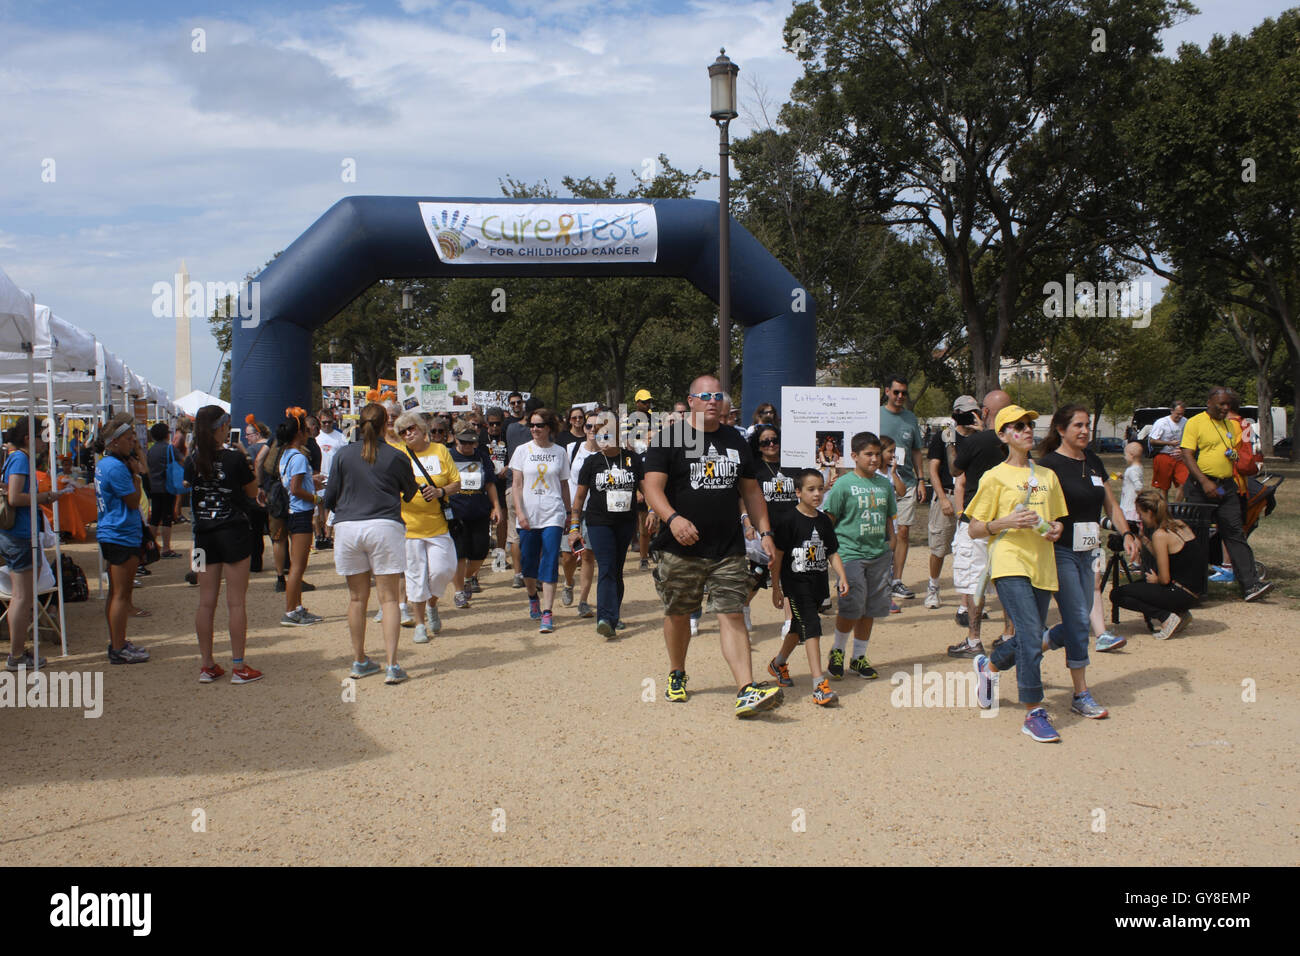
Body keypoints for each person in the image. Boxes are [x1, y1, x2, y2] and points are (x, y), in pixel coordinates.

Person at [642, 376, 783, 717]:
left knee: (732, 613)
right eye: (704, 396)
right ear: (690, 401)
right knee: (678, 612)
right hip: (680, 547)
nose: (712, 401)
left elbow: (751, 491)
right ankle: (677, 671)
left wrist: (764, 530)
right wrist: (673, 518)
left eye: (717, 396)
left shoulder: (736, 440)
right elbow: (652, 488)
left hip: (728, 547)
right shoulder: (670, 439)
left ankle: (745, 689)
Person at [967, 405, 1069, 743]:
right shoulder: (994, 477)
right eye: (1017, 426)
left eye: (1029, 425)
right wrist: (1004, 522)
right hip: (1009, 561)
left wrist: (1055, 529)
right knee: (1028, 632)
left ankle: (990, 667)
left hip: (1042, 563)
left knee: (1030, 635)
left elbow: (1057, 521)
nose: (1027, 430)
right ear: (1003, 435)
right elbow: (975, 529)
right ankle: (1033, 710)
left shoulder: (1047, 477)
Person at [1036, 405, 1137, 710]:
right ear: (1061, 429)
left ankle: (1020, 649)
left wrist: (1128, 533)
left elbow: (1111, 504)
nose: (1084, 431)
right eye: (1078, 425)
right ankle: (1081, 694)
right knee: (1079, 619)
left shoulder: (1093, 461)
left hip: (1091, 549)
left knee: (1079, 619)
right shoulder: (1049, 466)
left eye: (1087, 425)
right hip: (1061, 551)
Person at [322, 402, 418, 683]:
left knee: (356, 599)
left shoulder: (342, 454)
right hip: (384, 525)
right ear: (383, 424)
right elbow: (410, 493)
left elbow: (329, 498)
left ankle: (359, 660)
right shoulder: (395, 455)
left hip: (348, 526)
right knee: (389, 599)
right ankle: (391, 665)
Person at [185, 405, 263, 684]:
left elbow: (186, 491)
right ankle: (239, 666)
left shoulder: (192, 459)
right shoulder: (234, 459)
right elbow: (252, 492)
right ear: (221, 428)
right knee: (236, 602)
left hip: (202, 535)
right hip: (233, 532)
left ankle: (206, 664)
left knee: (205, 603)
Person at [1179, 387, 1271, 601]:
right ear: (1209, 402)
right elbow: (1187, 454)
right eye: (1221, 404)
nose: (1225, 408)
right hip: (1200, 485)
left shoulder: (1230, 425)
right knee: (1197, 536)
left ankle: (1251, 585)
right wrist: (1204, 481)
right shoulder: (1195, 423)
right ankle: (1194, 587)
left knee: (1235, 532)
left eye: (1228, 404)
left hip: (1224, 486)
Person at [768, 468, 848, 706]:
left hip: (818, 582)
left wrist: (842, 577)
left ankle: (778, 663)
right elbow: (778, 557)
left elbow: (832, 551)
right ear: (798, 492)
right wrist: (776, 588)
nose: (816, 494)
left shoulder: (823, 520)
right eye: (811, 489)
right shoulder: (787, 520)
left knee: (798, 627)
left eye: (820, 489)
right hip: (795, 583)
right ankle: (819, 685)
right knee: (812, 626)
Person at [821, 431, 896, 681]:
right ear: (854, 456)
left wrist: (891, 541)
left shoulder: (884, 483)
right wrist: (831, 552)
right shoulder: (844, 484)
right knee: (852, 605)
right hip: (850, 553)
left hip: (879, 554)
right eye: (868, 454)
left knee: (870, 608)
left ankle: (859, 656)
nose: (874, 459)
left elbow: (888, 516)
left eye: (877, 454)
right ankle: (838, 651)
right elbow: (829, 520)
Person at [946, 389, 1012, 658]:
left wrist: (951, 442)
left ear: (984, 412)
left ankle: (974, 639)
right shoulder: (1016, 441)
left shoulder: (979, 441)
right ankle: (1009, 634)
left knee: (975, 582)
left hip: (977, 519)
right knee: (1007, 579)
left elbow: (955, 470)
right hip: (1007, 520)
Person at [2, 418, 71, 671]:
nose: (46, 442)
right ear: (28, 438)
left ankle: (17, 653)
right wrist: (45, 497)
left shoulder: (14, 457)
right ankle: (16, 655)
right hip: (20, 534)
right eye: (43, 437)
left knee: (21, 597)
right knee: (22, 597)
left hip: (16, 534)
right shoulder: (21, 459)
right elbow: (15, 497)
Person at [571, 410, 642, 636]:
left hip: (625, 522)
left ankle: (614, 614)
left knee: (616, 568)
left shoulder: (633, 460)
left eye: (607, 434)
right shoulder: (592, 462)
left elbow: (647, 488)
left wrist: (651, 510)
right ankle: (605, 618)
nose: (602, 438)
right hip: (598, 521)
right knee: (607, 567)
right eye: (599, 434)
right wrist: (574, 527)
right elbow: (580, 497)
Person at [393, 411, 460, 643]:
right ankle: (420, 623)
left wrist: (440, 491)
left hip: (438, 525)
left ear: (423, 430)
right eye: (403, 432)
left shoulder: (441, 451)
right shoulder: (399, 455)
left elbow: (456, 483)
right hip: (409, 527)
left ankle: (432, 603)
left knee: (443, 570)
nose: (408, 434)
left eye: (411, 428)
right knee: (415, 577)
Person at [1111, 490, 1207, 639]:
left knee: (1118, 594)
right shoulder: (1180, 525)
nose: (1139, 518)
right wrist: (1142, 538)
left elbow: (1164, 579)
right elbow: (1169, 557)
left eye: (1140, 514)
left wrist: (1156, 580)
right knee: (1139, 586)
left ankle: (1166, 617)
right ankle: (1181, 614)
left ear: (1149, 512)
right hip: (1194, 592)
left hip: (1180, 593)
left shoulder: (1160, 535)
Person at [94, 413, 151, 664]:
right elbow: (131, 500)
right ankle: (118, 648)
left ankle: (118, 641)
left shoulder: (105, 463)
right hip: (120, 533)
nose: (133, 443)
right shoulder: (116, 467)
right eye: (129, 439)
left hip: (115, 531)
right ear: (115, 441)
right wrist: (136, 476)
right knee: (120, 594)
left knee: (116, 593)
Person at [510, 406, 571, 634]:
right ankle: (532, 596)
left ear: (549, 428)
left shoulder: (560, 452)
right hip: (528, 514)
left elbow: (564, 484)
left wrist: (568, 512)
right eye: (532, 425)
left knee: (550, 559)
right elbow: (516, 485)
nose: (534, 429)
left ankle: (547, 612)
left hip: (553, 513)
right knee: (528, 563)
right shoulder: (521, 451)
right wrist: (520, 512)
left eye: (539, 425)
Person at [745, 423, 800, 635]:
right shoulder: (754, 469)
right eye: (765, 442)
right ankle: (744, 605)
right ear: (758, 446)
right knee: (758, 575)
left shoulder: (793, 465)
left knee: (791, 573)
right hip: (766, 528)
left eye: (774, 440)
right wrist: (749, 523)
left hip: (791, 527)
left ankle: (789, 619)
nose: (771, 445)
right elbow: (746, 498)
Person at [925, 396, 979, 609]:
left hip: (972, 499)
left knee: (971, 549)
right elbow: (933, 468)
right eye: (965, 412)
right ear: (956, 414)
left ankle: (970, 598)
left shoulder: (981, 439)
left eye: (973, 411)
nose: (969, 417)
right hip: (947, 496)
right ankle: (933, 586)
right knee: (939, 547)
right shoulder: (944, 436)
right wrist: (942, 497)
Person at [877, 373, 927, 600]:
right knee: (881, 534)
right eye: (896, 392)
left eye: (904, 393)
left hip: (905, 483)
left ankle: (896, 580)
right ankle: (879, 581)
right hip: (878, 483)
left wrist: (920, 480)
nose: (900, 396)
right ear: (887, 391)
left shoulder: (910, 418)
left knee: (903, 531)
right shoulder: (874, 413)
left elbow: (916, 450)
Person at [277, 408, 326, 626]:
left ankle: (296, 608)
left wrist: (311, 483)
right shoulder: (297, 456)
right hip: (301, 512)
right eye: (306, 429)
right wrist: (316, 499)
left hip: (294, 511)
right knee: (298, 566)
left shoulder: (286, 454)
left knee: (297, 565)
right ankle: (290, 611)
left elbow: (293, 484)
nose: (309, 432)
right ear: (299, 434)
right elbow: (296, 488)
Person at [447, 420, 500, 608]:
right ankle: (459, 591)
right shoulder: (447, 456)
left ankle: (468, 578)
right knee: (460, 553)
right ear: (455, 440)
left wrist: (496, 507)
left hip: (479, 510)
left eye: (471, 442)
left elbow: (490, 484)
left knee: (480, 552)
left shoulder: (482, 456)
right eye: (464, 442)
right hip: (455, 512)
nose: (468, 446)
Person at [562, 408, 601, 616]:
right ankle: (568, 583)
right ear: (583, 428)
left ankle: (583, 601)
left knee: (587, 555)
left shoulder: (606, 451)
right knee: (568, 556)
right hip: (573, 510)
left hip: (594, 511)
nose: (593, 429)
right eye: (589, 426)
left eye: (597, 426)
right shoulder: (571, 448)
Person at [504, 397, 543, 588]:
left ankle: (518, 574)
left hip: (512, 486)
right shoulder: (539, 433)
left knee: (514, 534)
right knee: (540, 532)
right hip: (533, 488)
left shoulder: (511, 428)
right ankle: (538, 574)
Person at [144, 422, 182, 558]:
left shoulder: (150, 450)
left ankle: (152, 546)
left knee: (154, 517)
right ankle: (166, 548)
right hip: (168, 486)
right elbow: (182, 461)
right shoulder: (169, 449)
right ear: (166, 434)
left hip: (154, 487)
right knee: (167, 517)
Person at [243, 417, 272, 573]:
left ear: (257, 434)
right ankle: (286, 562)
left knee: (256, 532)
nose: (246, 438)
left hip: (256, 496)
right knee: (278, 533)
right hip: (273, 493)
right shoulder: (274, 446)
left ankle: (256, 564)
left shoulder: (250, 451)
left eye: (248, 434)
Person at [314, 409, 346, 550]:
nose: (326, 425)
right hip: (318, 476)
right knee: (318, 507)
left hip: (334, 477)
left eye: (329, 422)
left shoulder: (340, 437)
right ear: (319, 421)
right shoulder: (315, 437)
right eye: (324, 422)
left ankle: (328, 535)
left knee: (330, 506)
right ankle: (319, 536)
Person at [484, 408, 510, 565]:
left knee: (502, 521)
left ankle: (500, 558)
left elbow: (514, 454)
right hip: (484, 482)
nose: (494, 427)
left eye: (497, 423)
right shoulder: (481, 437)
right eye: (491, 423)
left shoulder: (507, 436)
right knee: (484, 520)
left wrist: (508, 467)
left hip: (502, 482)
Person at [1148, 401, 1189, 500]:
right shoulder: (1161, 422)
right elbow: (1152, 440)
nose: (1179, 416)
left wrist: (1182, 449)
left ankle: (1176, 507)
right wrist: (1168, 443)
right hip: (1164, 456)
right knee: (1164, 487)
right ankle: (1164, 509)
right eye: (1177, 414)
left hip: (1180, 457)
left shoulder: (1186, 421)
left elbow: (1189, 439)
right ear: (1172, 411)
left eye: (1182, 414)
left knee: (1184, 483)